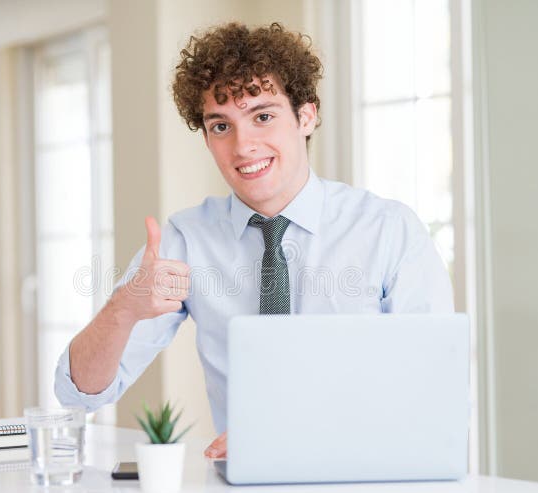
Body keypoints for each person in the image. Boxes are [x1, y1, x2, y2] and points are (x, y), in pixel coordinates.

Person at [55, 22, 453, 458]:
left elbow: (435, 390)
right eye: (221, 126)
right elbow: (80, 394)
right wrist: (124, 307)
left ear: (306, 115)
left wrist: (294, 435)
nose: (243, 146)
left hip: (366, 488)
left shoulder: (388, 231)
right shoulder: (187, 240)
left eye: (263, 116)